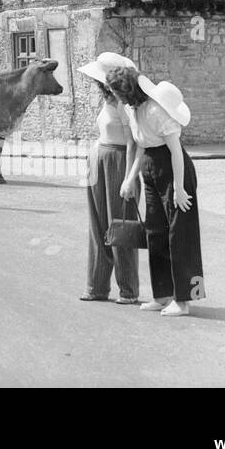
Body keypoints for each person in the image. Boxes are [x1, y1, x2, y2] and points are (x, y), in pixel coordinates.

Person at [107, 66, 205, 317]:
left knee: (179, 234)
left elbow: (175, 151)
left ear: (127, 90)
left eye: (116, 91)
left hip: (174, 170)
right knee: (155, 232)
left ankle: (183, 300)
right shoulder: (133, 110)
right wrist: (130, 179)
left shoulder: (154, 110)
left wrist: (180, 188)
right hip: (150, 170)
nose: (115, 96)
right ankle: (163, 295)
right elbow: (141, 147)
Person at [76, 52, 140, 304]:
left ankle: (128, 290)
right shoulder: (107, 101)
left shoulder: (125, 104)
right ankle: (97, 286)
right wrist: (92, 158)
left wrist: (129, 178)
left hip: (119, 161)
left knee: (121, 225)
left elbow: (133, 141)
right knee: (97, 225)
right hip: (99, 160)